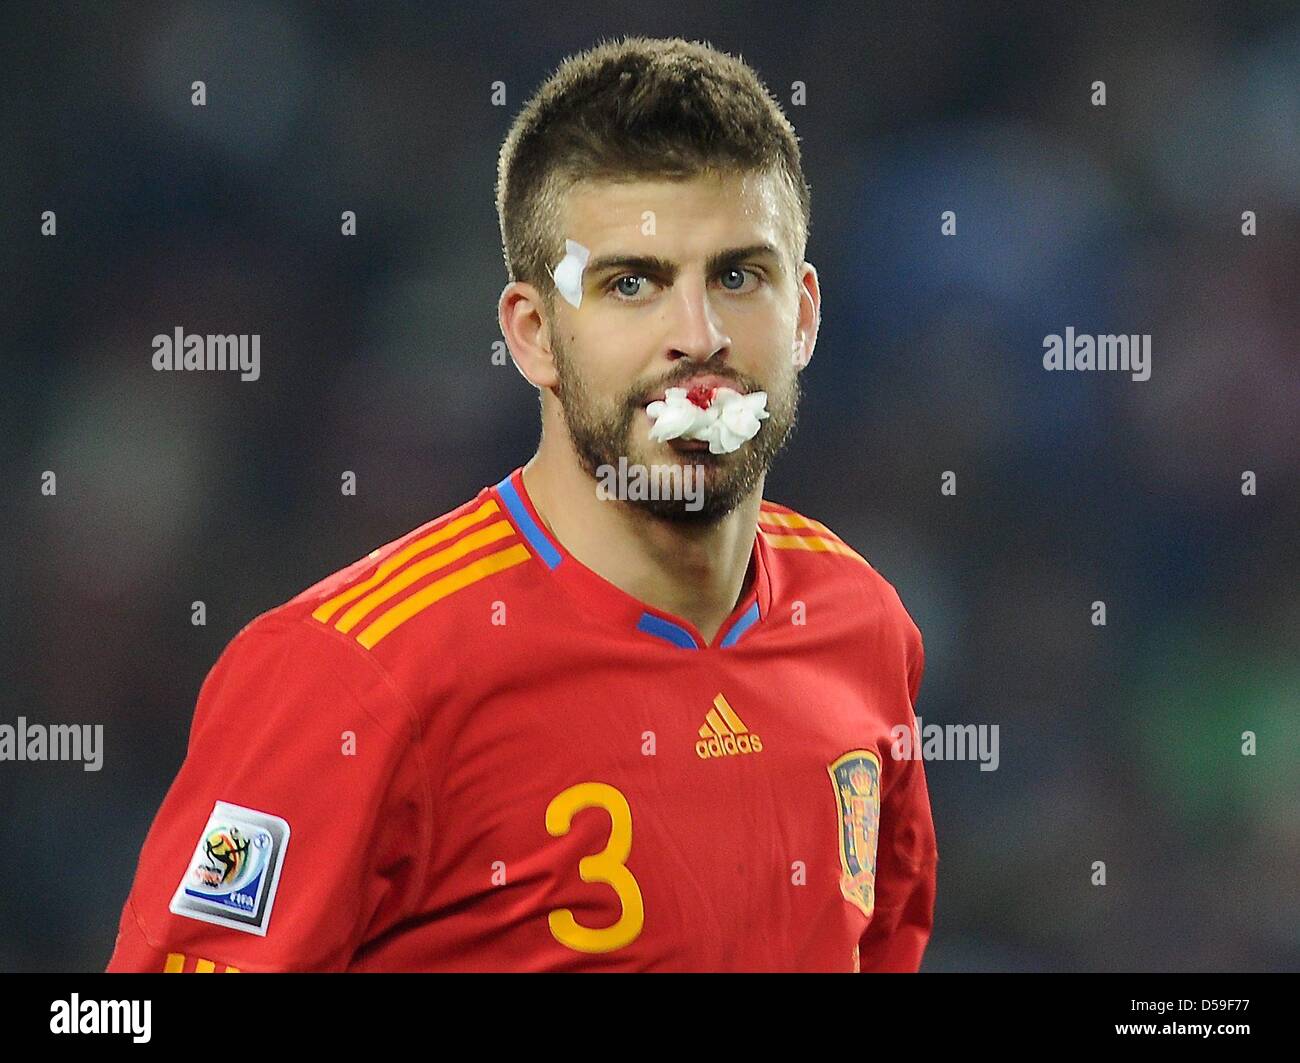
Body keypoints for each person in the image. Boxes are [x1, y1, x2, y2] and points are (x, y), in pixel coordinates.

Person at [108, 35, 936, 973]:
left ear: (805, 316)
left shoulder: (862, 624)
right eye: (633, 283)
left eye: (739, 276)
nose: (697, 338)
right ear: (534, 334)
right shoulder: (350, 677)